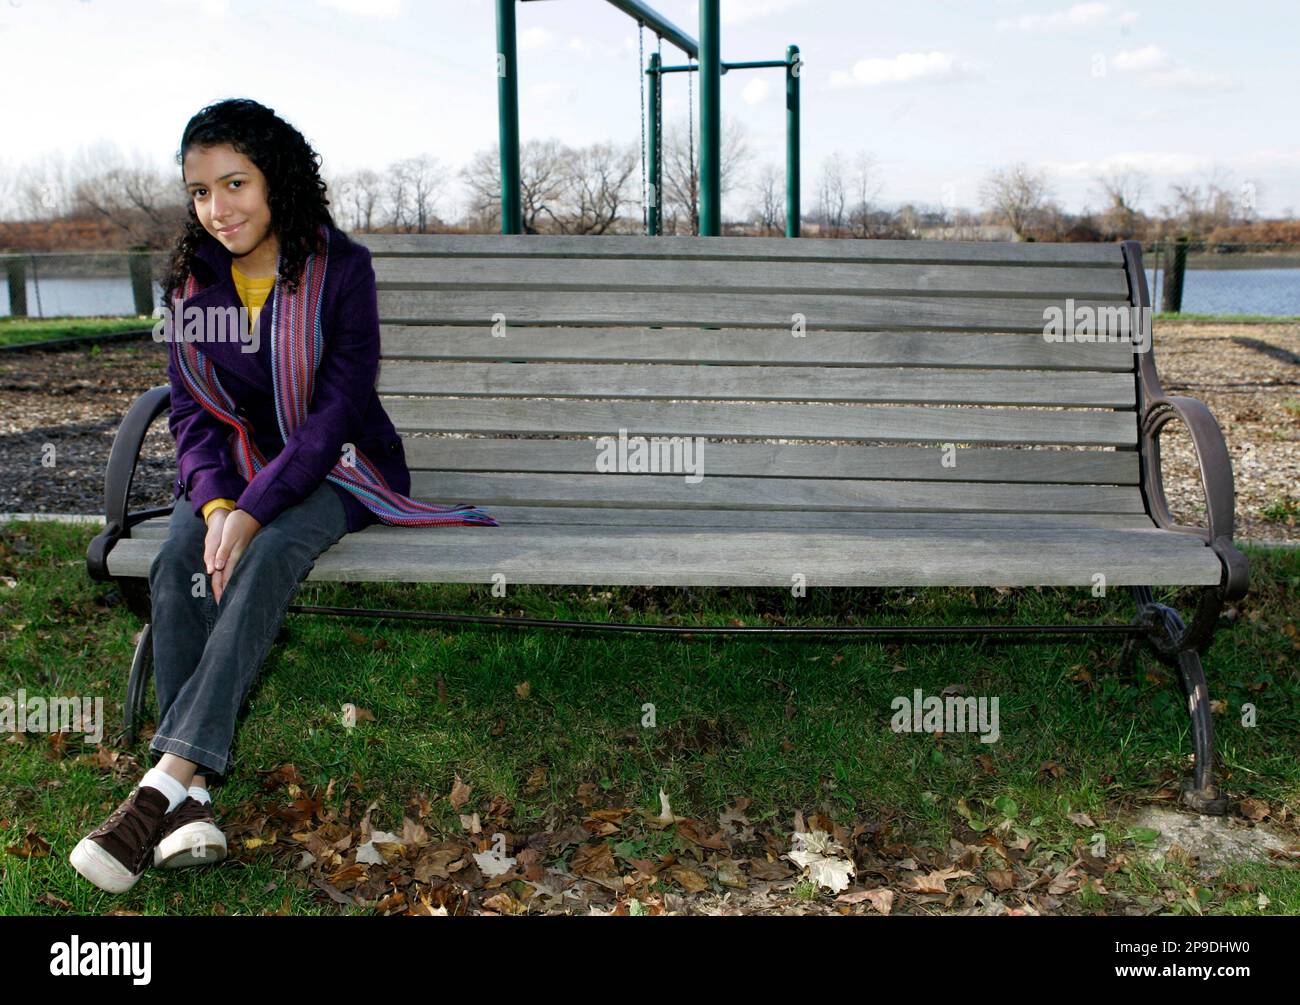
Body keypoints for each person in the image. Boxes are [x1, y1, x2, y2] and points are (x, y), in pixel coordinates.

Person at [70, 98, 495, 894]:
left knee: (265, 554)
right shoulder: (194, 285)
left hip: (341, 466)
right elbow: (193, 420)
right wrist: (219, 508)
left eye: (235, 183)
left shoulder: (343, 272)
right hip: (230, 477)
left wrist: (257, 513)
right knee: (177, 565)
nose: (217, 208)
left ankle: (158, 782)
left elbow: (333, 415)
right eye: (200, 191)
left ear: (278, 180)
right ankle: (191, 800)